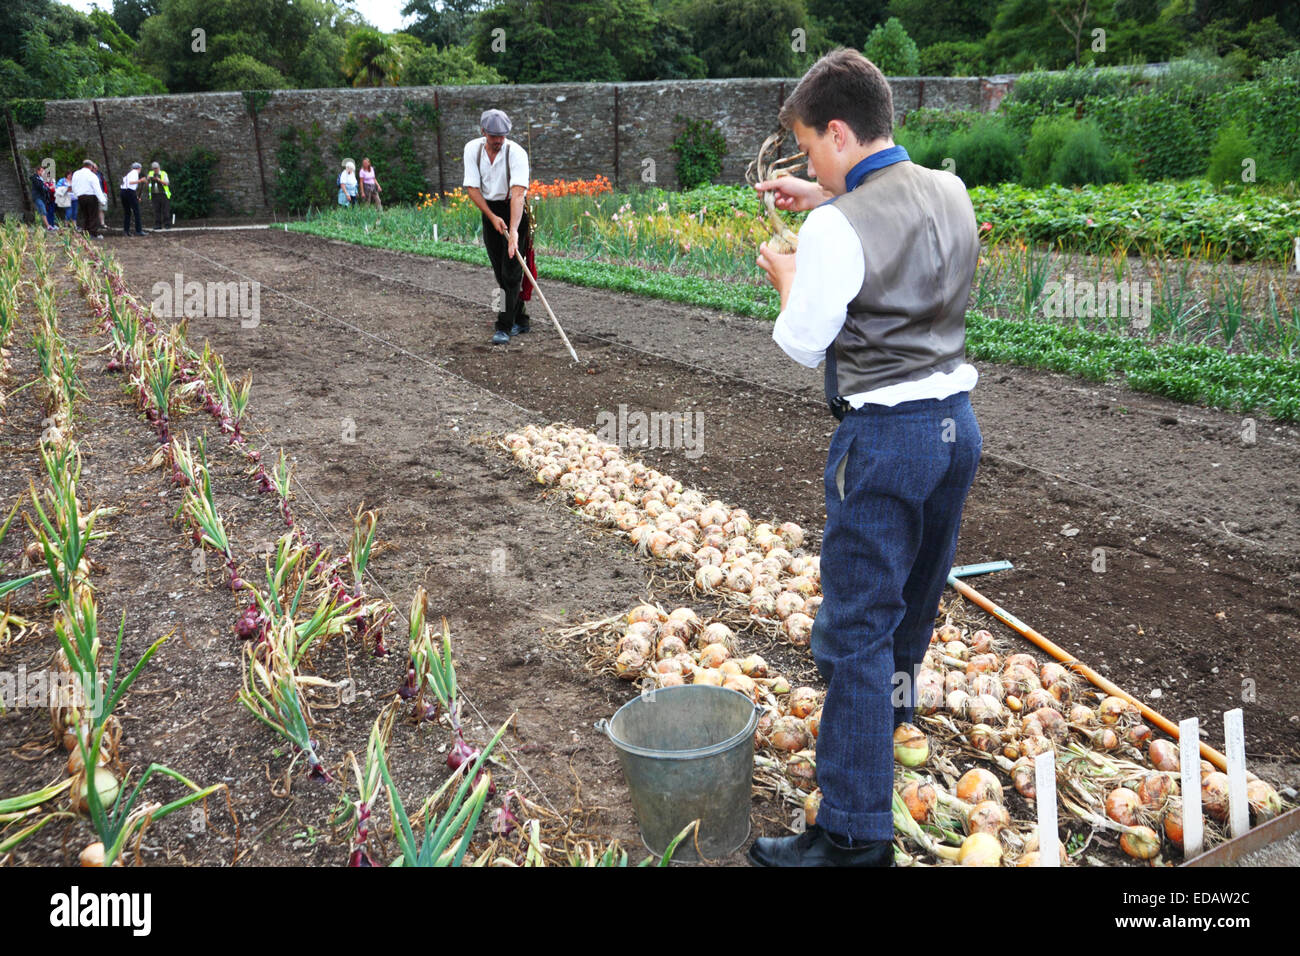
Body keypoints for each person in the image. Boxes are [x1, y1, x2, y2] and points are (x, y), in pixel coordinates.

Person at [748, 48, 983, 867]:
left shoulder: (832, 229)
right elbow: (896, 226)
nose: (807, 164)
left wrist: (789, 271)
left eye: (812, 149)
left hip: (884, 439)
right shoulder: (948, 190)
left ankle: (851, 833)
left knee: (853, 630)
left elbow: (803, 340)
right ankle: (885, 736)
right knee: (911, 613)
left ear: (840, 131)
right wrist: (824, 200)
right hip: (956, 427)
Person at [463, 108, 532, 345]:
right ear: (484, 132)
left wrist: (513, 231)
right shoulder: (472, 149)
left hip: (514, 210)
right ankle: (521, 319)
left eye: (502, 136)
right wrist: (492, 218)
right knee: (500, 272)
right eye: (494, 136)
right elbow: (472, 188)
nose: (499, 141)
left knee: (511, 273)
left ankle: (504, 325)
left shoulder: (517, 154)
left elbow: (518, 194)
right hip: (490, 211)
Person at [70, 159, 107, 238]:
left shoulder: (76, 174)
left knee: (85, 215)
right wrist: (102, 200)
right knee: (93, 215)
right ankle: (92, 233)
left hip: (80, 196)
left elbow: (73, 185)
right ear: (90, 166)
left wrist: (77, 195)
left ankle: (86, 232)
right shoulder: (92, 175)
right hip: (91, 196)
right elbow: (97, 188)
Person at [120, 162, 145, 236]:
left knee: (127, 212)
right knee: (136, 211)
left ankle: (126, 231)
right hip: (129, 192)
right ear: (139, 168)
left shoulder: (129, 174)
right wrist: (140, 181)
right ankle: (138, 230)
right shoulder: (135, 173)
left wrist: (136, 197)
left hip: (123, 192)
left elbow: (127, 185)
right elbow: (131, 183)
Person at [30, 165, 58, 230]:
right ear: (38, 171)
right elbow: (40, 187)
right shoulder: (35, 178)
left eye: (43, 171)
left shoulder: (43, 179)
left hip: (43, 198)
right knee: (43, 210)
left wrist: (48, 188)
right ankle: (48, 226)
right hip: (37, 197)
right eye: (42, 171)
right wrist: (49, 188)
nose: (43, 172)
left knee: (42, 211)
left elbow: (46, 187)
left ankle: (42, 225)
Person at [146, 161, 171, 229]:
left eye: (156, 168)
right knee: (156, 210)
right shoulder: (150, 173)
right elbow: (147, 184)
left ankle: (167, 225)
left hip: (163, 194)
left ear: (159, 167)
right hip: (154, 195)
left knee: (165, 210)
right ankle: (158, 225)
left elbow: (167, 183)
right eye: (154, 168)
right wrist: (148, 179)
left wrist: (158, 180)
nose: (155, 170)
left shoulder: (163, 173)